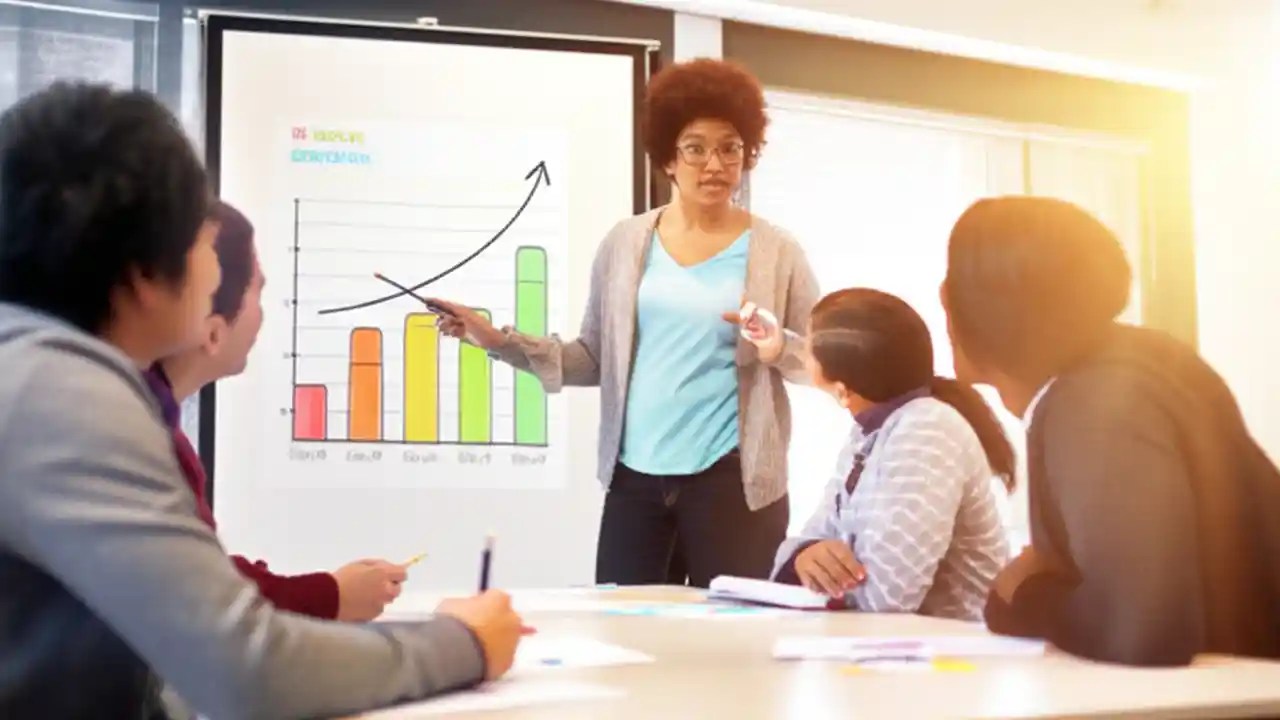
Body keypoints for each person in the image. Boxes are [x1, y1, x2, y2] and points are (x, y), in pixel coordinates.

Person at [0, 81, 523, 719]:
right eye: (200, 237)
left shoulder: (36, 372)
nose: (216, 268)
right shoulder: (65, 401)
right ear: (143, 274)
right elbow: (247, 669)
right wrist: (464, 643)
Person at [430, 59, 819, 588]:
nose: (715, 164)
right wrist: (496, 339)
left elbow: (819, 359)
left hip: (734, 482)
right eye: (695, 148)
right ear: (667, 157)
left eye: (730, 148)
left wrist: (777, 348)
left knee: (732, 632)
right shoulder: (625, 243)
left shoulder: (777, 250)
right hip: (635, 482)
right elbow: (594, 358)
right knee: (626, 625)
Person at [941, 196, 1280, 665]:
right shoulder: (1135, 361)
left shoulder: (1098, 400)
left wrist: (1022, 597)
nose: (944, 296)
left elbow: (1142, 631)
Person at [144, 200, 405, 622]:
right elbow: (199, 597)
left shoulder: (146, 420)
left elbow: (199, 574)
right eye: (258, 292)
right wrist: (330, 596)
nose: (264, 314)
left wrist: (331, 593)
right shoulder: (138, 441)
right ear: (212, 329)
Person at [768, 288, 1013, 621]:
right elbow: (811, 536)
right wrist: (805, 555)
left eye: (808, 347)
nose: (802, 354)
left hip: (952, 647)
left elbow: (889, 595)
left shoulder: (928, 429)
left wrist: (826, 578)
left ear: (842, 389)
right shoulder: (868, 431)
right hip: (889, 643)